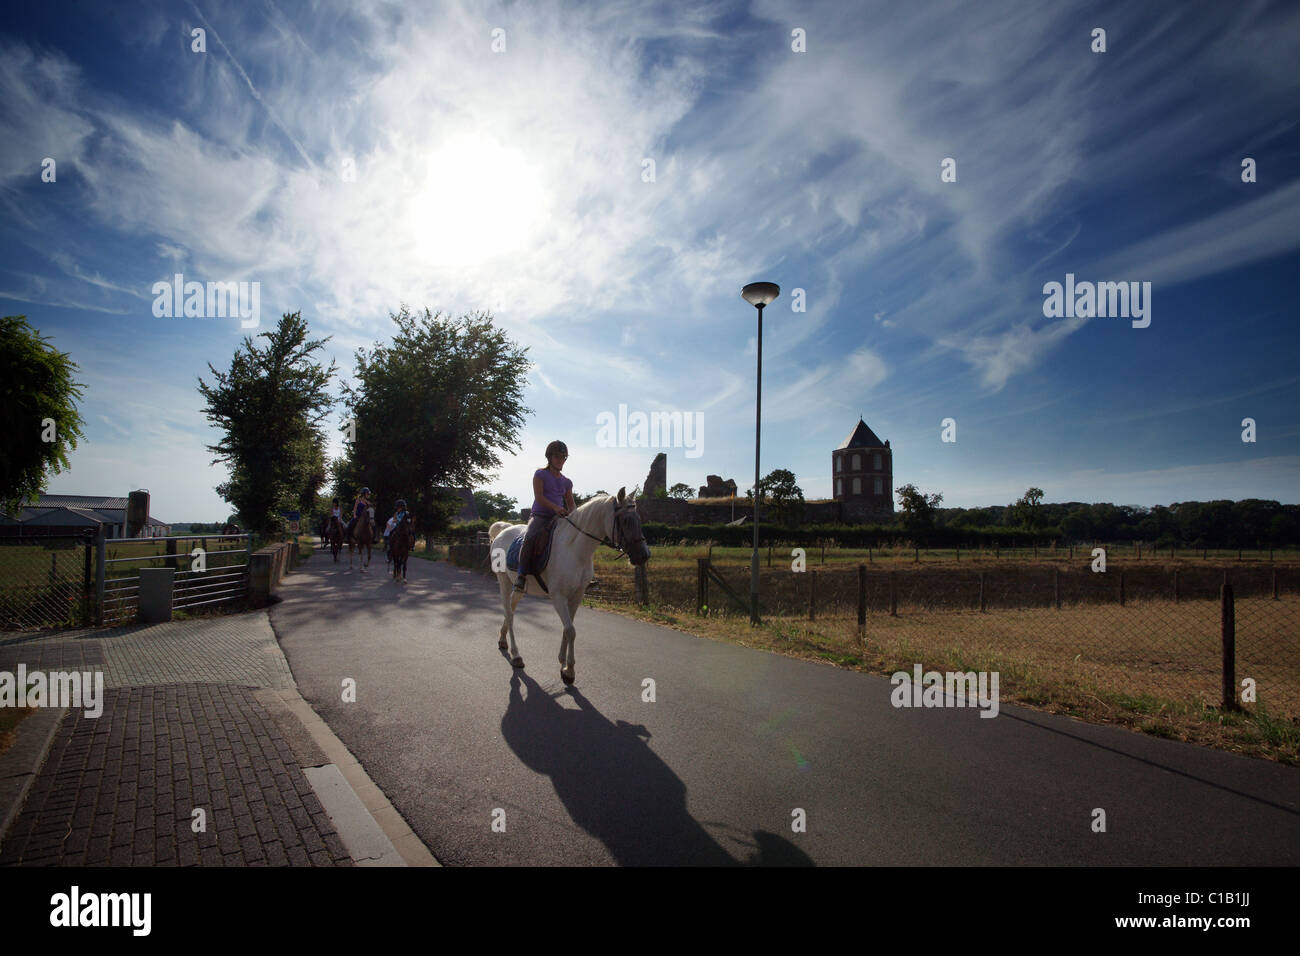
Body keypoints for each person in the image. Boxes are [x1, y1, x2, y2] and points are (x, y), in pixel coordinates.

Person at [515, 441, 575, 593]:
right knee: (529, 538)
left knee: (577, 539)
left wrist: (576, 517)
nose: (560, 460)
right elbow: (539, 497)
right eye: (557, 457)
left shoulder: (567, 482)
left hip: (559, 518)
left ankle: (580, 576)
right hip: (540, 516)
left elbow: (571, 504)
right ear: (549, 457)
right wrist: (556, 508)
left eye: (563, 457)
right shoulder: (540, 474)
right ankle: (521, 575)